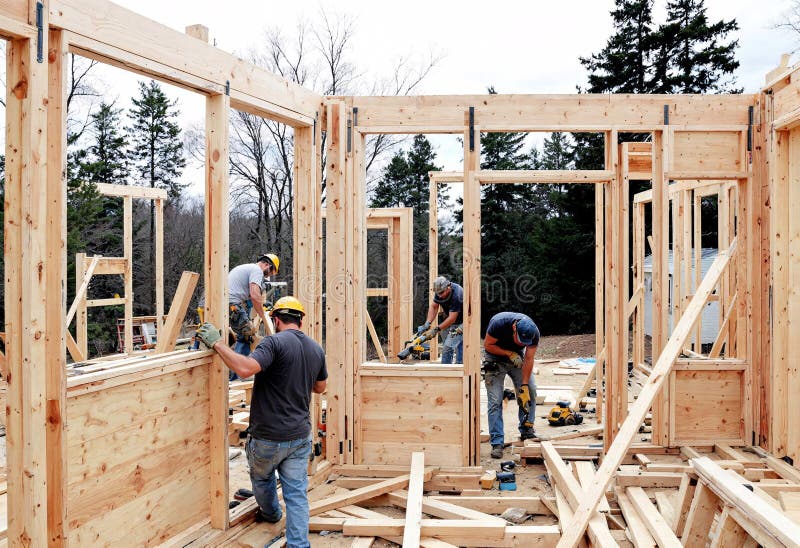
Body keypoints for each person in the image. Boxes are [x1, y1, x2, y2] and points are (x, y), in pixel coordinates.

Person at [197, 296, 326, 548]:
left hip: (268, 436)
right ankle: (299, 544)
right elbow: (320, 387)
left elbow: (245, 369)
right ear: (300, 320)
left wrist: (217, 344)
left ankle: (271, 514)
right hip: (300, 436)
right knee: (296, 493)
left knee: (263, 479)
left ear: (276, 319)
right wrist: (297, 376)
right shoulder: (315, 348)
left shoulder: (273, 343)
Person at [482, 311, 540, 459]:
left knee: (531, 391)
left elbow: (529, 358)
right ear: (514, 328)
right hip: (494, 356)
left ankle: (527, 429)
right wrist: (509, 353)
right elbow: (488, 345)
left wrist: (524, 386)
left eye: (524, 343)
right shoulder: (498, 323)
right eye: (520, 340)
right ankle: (497, 443)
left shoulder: (534, 333)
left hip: (517, 358)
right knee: (495, 400)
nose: (522, 344)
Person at [228, 253, 280, 359]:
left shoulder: (247, 268)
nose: (268, 276)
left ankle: (233, 367)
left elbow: (250, 298)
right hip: (232, 304)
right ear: (267, 264)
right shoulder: (257, 270)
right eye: (270, 272)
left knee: (237, 336)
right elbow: (254, 294)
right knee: (248, 336)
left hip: (228, 303)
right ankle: (237, 370)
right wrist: (262, 314)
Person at [417, 276, 464, 364]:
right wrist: (427, 323)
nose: (439, 295)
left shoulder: (457, 294)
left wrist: (436, 329)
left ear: (448, 287)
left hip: (464, 322)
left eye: (441, 293)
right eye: (437, 293)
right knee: (454, 344)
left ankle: (456, 370)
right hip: (451, 320)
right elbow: (434, 306)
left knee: (448, 346)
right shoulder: (440, 290)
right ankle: (456, 368)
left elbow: (452, 318)